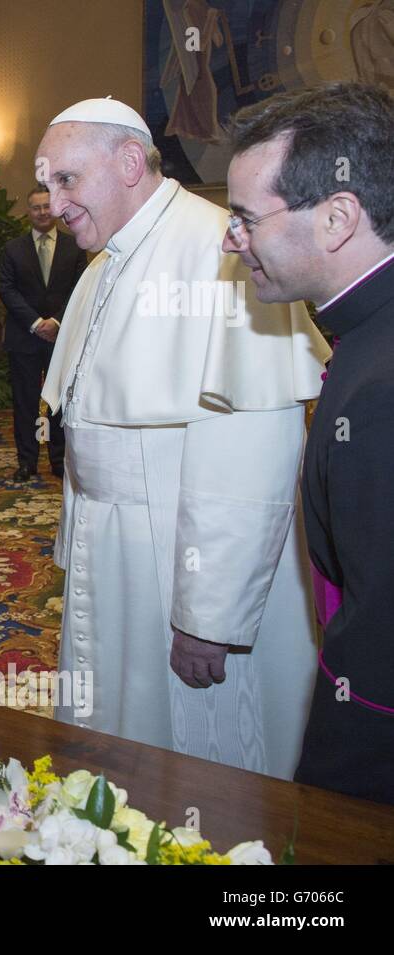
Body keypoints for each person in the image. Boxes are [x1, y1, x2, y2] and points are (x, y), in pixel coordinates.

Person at [37, 97, 330, 779]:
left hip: (183, 560)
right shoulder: (105, 263)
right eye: (48, 183)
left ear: (130, 161)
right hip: (114, 553)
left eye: (65, 180)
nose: (52, 203)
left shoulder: (219, 250)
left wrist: (209, 614)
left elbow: (251, 449)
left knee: (199, 753)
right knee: (121, 736)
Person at [224, 81, 394, 804]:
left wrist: (328, 805)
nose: (231, 240)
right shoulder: (364, 336)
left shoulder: (380, 388)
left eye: (244, 219)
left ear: (336, 217)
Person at [0, 186, 87, 481]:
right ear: (28, 212)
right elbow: (7, 291)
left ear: (55, 208)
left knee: (59, 402)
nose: (42, 212)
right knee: (26, 402)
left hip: (61, 337)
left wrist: (57, 322)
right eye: (36, 207)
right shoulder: (12, 249)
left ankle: (59, 460)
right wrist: (36, 323)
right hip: (25, 338)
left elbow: (80, 289)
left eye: (47, 206)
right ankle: (27, 461)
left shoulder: (75, 247)